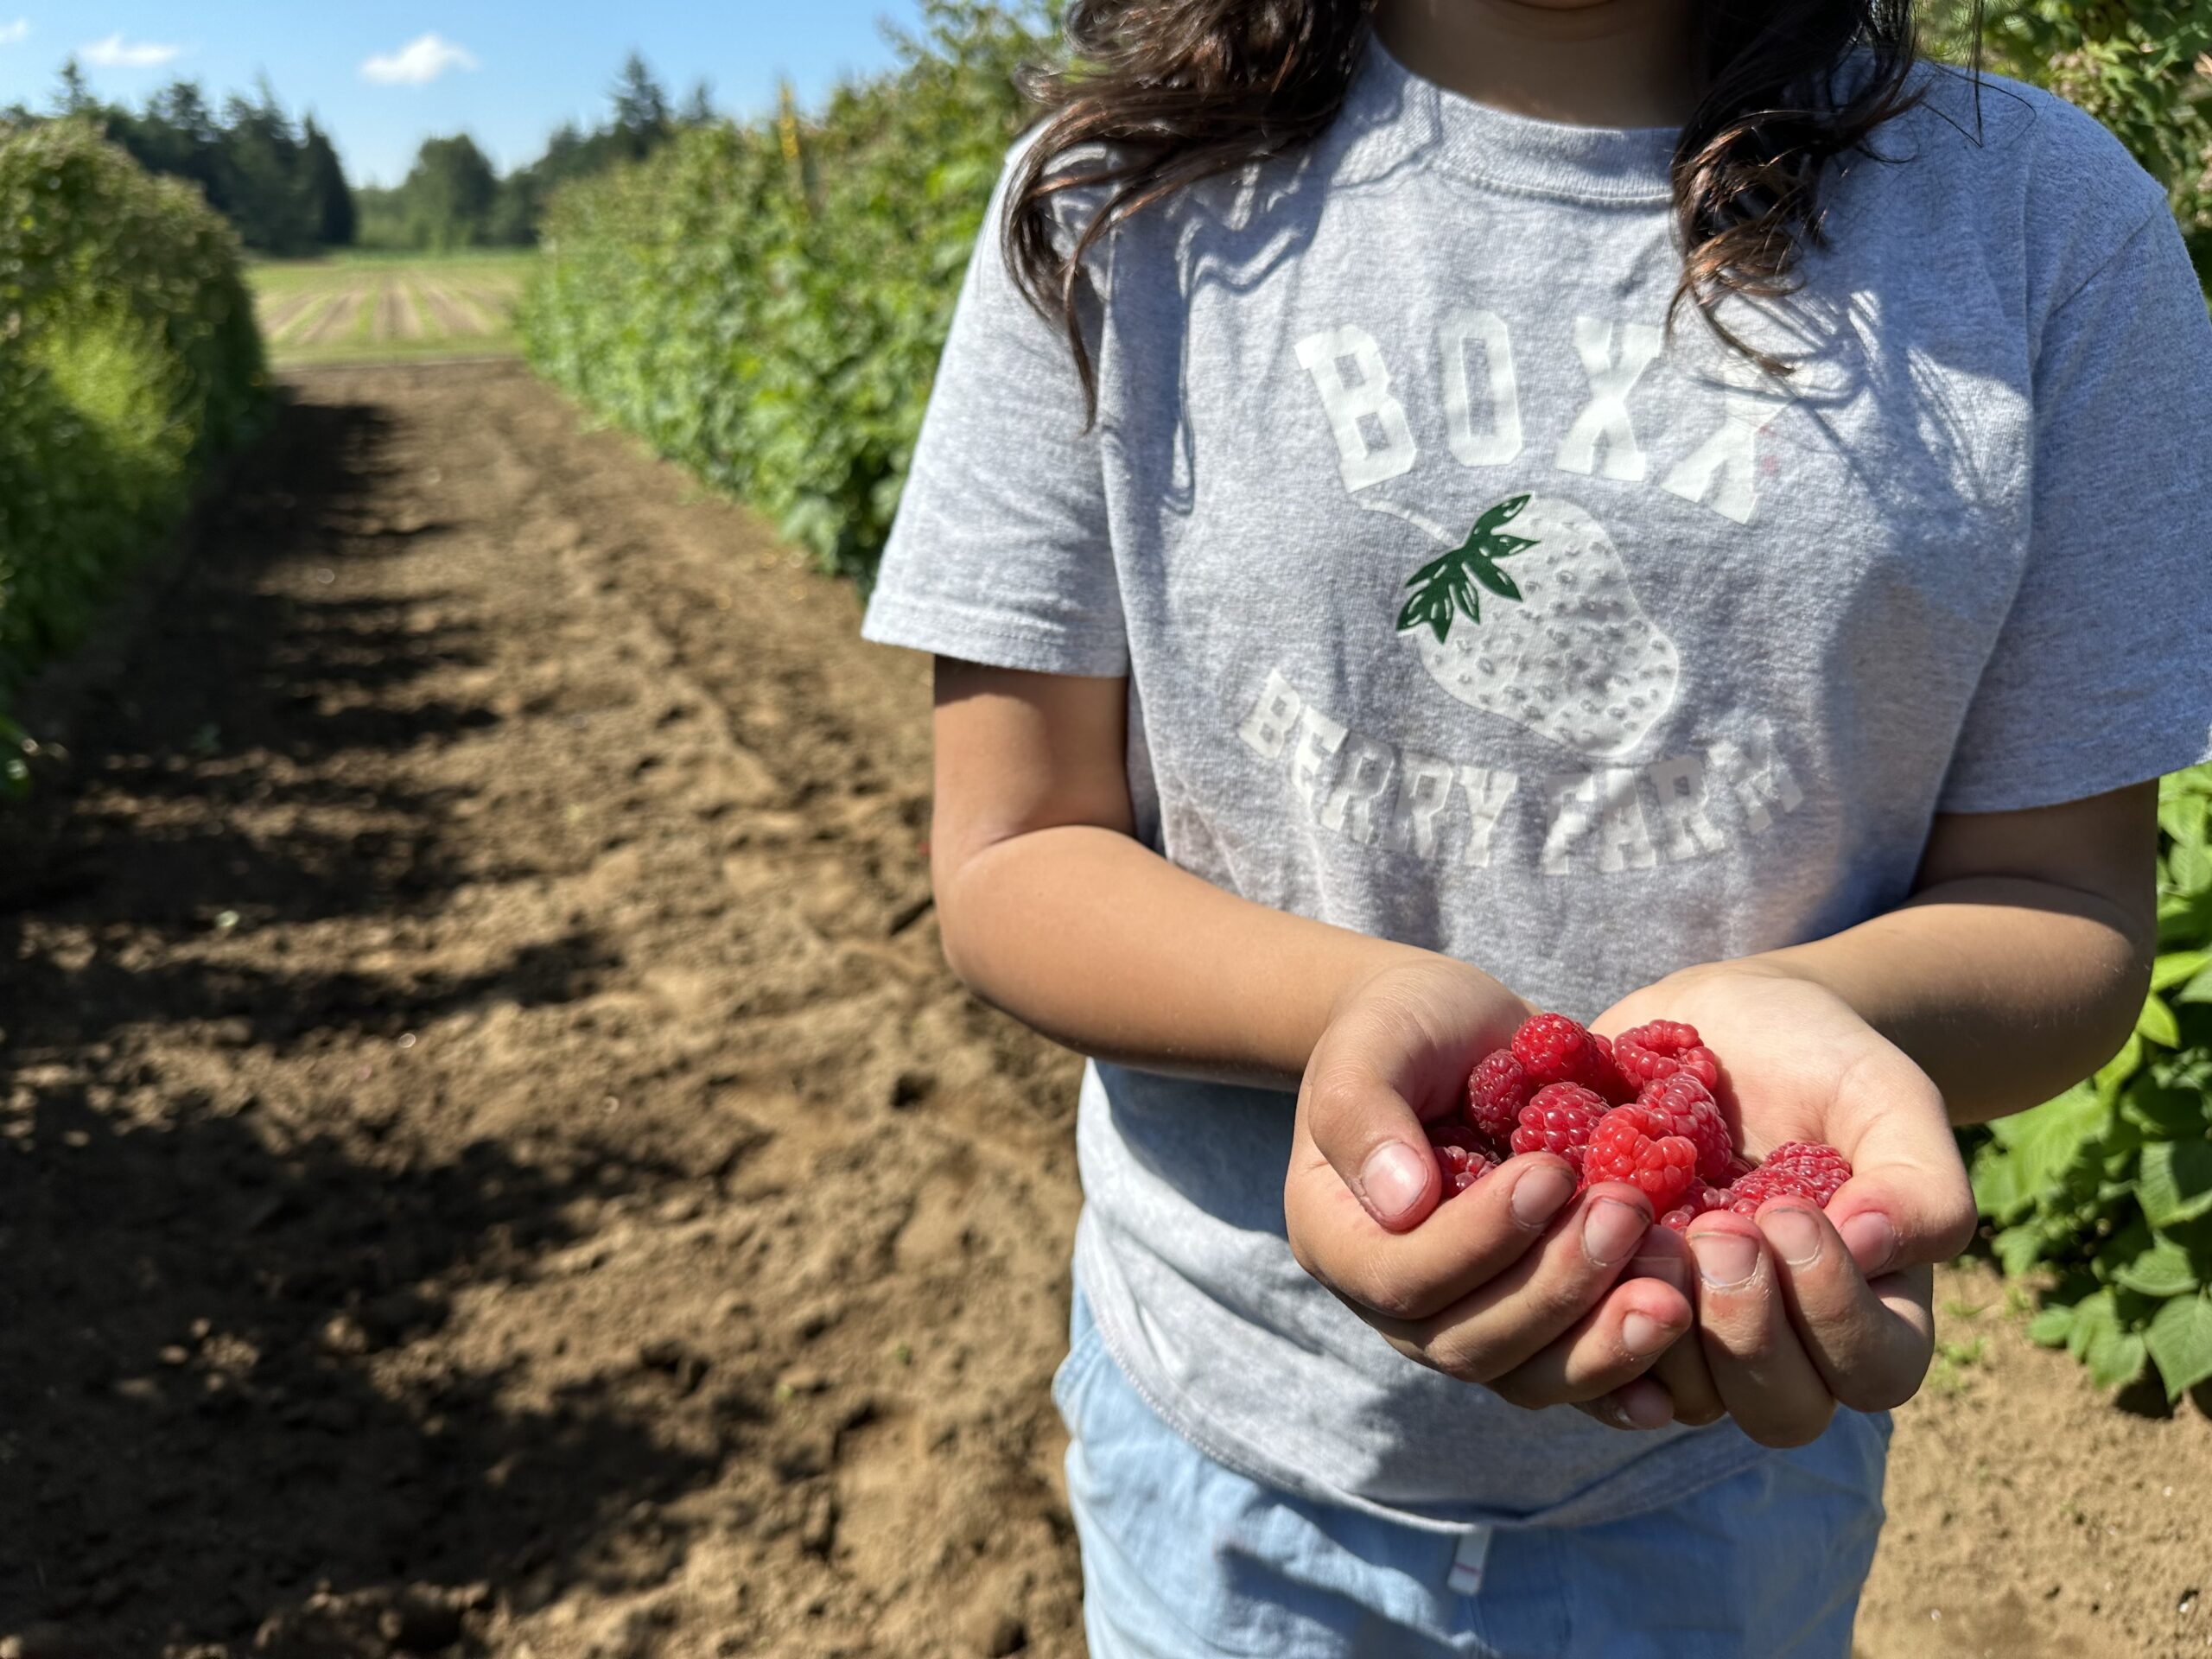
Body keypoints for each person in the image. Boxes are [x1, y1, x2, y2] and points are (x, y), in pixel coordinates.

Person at [861, 0, 2212, 1650]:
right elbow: (1013, 851)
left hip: (1731, 1469)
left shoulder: (2042, 228)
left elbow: (2060, 896)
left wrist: (1792, 1031)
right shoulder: (1118, 209)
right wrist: (1353, 1013)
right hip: (1235, 1457)